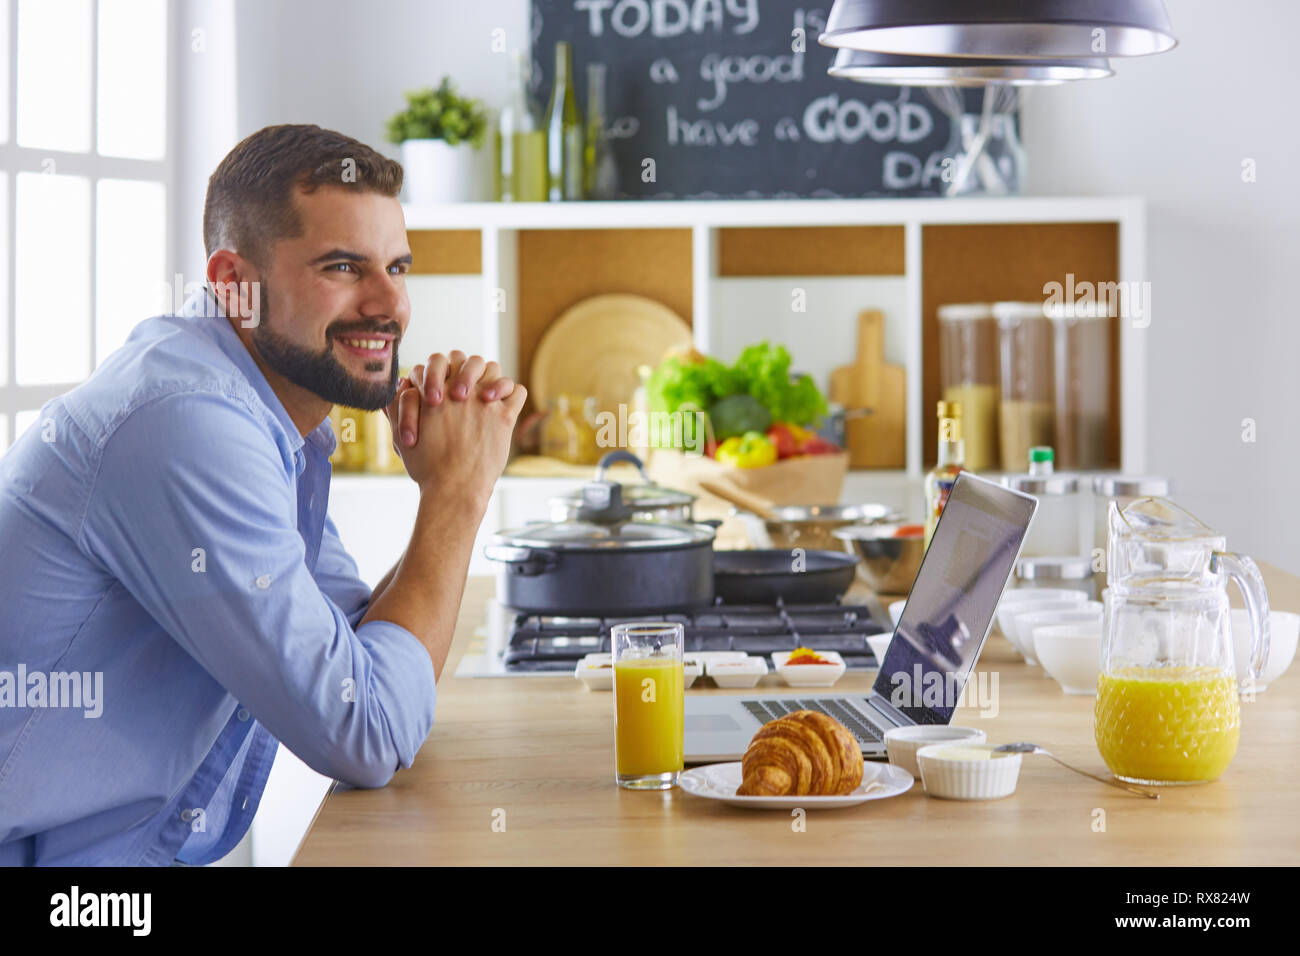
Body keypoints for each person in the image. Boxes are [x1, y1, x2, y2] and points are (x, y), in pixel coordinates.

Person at [0, 124, 524, 865]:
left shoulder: (274, 426)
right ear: (233, 282)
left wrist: (449, 489)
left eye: (398, 267)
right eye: (344, 267)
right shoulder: (186, 425)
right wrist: (458, 495)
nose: (391, 306)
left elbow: (364, 666)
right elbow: (367, 733)